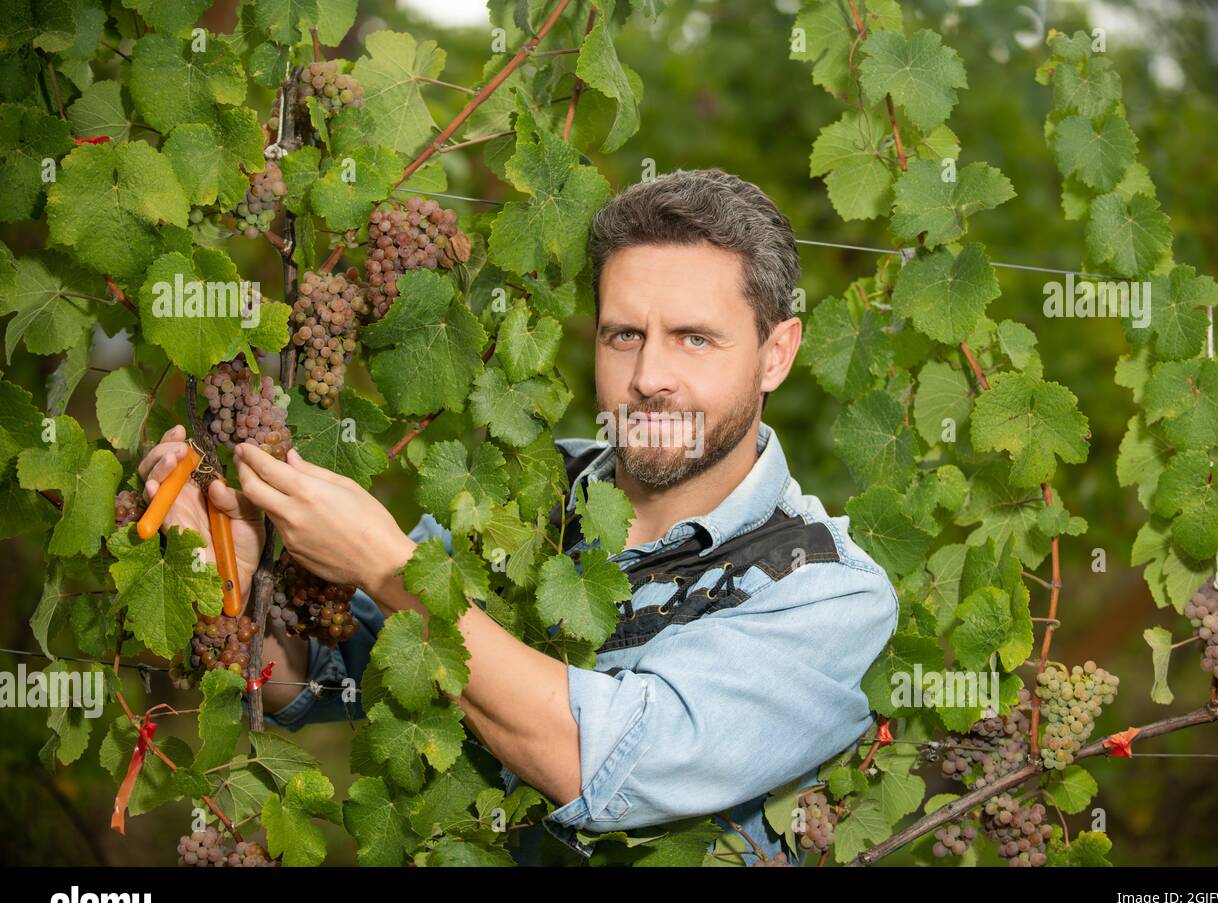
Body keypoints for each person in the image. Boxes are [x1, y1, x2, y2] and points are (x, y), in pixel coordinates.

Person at [138, 168, 899, 866]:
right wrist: (230, 572)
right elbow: (322, 681)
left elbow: (605, 762)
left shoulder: (826, 589)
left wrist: (388, 567)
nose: (648, 378)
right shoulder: (529, 490)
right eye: (624, 335)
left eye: (694, 339)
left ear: (777, 353)